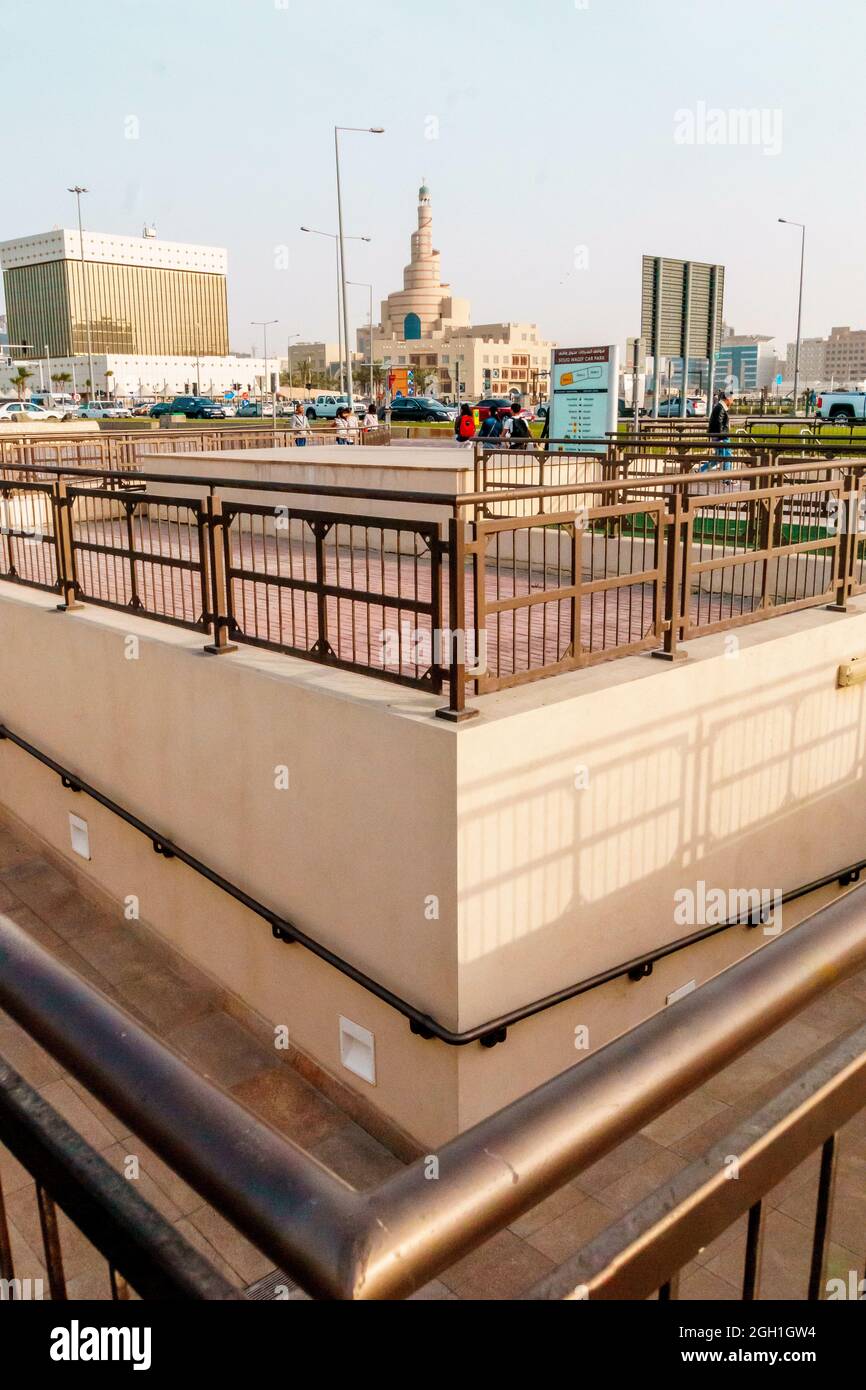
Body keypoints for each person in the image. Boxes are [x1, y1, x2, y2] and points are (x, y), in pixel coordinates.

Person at [697, 391, 733, 472]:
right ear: (727, 398)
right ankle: (727, 477)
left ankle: (701, 470)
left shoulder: (720, 407)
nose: (732, 400)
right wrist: (721, 437)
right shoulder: (720, 408)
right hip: (722, 437)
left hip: (720, 436)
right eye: (731, 398)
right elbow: (718, 423)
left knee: (719, 457)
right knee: (727, 456)